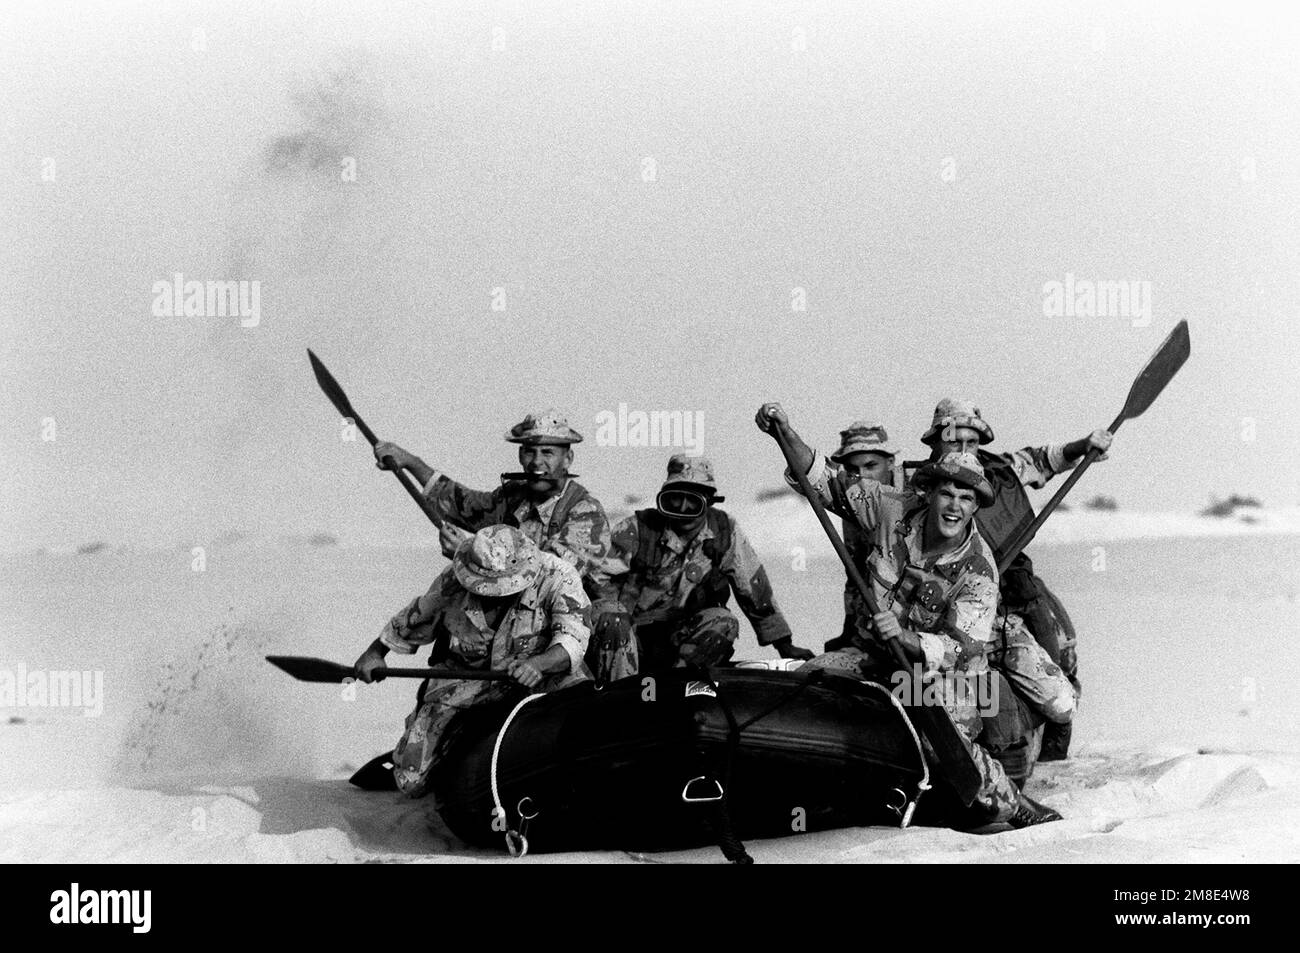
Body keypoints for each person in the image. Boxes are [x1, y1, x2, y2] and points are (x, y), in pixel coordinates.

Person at [755, 402, 1061, 828]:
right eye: (947, 493)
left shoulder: (980, 569)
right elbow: (823, 479)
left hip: (942, 674)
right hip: (874, 655)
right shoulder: (888, 507)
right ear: (930, 491)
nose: (954, 506)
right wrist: (782, 433)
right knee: (810, 682)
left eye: (966, 497)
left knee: (936, 725)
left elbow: (961, 647)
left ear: (976, 506)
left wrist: (905, 637)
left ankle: (1010, 800)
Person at [914, 397, 1109, 762]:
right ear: (936, 442)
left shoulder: (999, 473)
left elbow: (1041, 460)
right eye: (954, 441)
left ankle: (1026, 734)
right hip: (937, 621)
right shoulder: (915, 483)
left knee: (1062, 702)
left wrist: (1085, 446)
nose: (963, 450)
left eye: (971, 442)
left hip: (1002, 616)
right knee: (936, 699)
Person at [352, 525, 591, 798]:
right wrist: (376, 652)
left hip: (543, 673)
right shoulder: (454, 580)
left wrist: (538, 664)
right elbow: (416, 617)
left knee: (580, 719)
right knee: (411, 781)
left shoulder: (558, 576)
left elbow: (573, 638)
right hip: (471, 677)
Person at [592, 453, 813, 681]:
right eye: (675, 499)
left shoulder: (724, 532)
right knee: (609, 614)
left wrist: (784, 644)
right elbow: (595, 580)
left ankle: (680, 687)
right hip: (629, 638)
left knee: (724, 621)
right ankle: (618, 693)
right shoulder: (637, 528)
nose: (684, 508)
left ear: (708, 500)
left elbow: (754, 589)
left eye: (694, 501)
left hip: (683, 637)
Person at [373, 409, 610, 596]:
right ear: (520, 456)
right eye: (529, 452)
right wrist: (412, 463)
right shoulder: (512, 499)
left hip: (562, 619)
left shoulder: (586, 514)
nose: (536, 462)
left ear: (568, 459)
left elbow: (546, 577)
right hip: (513, 615)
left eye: (547, 453)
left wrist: (469, 554)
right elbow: (460, 504)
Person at [824, 421, 901, 653]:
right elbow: (856, 573)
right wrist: (849, 630)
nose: (862, 477)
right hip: (879, 622)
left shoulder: (916, 495)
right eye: (852, 470)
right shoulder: (855, 502)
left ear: (890, 463)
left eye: (870, 466)